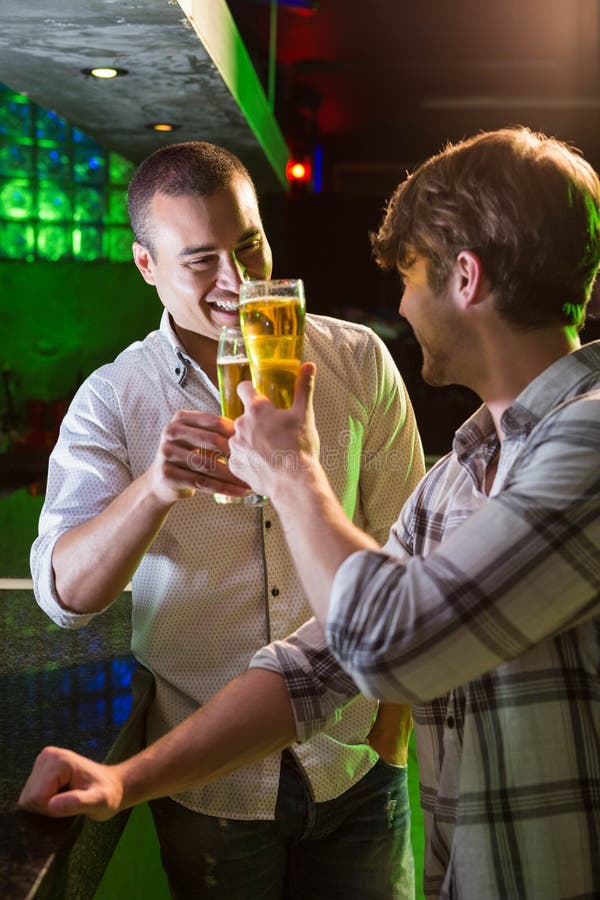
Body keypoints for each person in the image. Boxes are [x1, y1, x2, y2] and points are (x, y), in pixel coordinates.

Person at [22, 126, 599, 897]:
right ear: (148, 266)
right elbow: (318, 663)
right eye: (201, 259)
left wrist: (291, 470)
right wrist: (124, 779)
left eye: (409, 273)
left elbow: (384, 642)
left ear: (465, 278)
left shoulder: (584, 440)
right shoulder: (466, 467)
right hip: (246, 803)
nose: (401, 302)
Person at [27, 141, 424, 899]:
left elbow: (409, 551)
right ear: (147, 266)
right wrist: (155, 487)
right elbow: (65, 598)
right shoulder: (113, 398)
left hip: (355, 763)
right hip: (209, 787)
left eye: (249, 246)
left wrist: (391, 736)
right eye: (202, 260)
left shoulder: (356, 360)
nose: (238, 281)